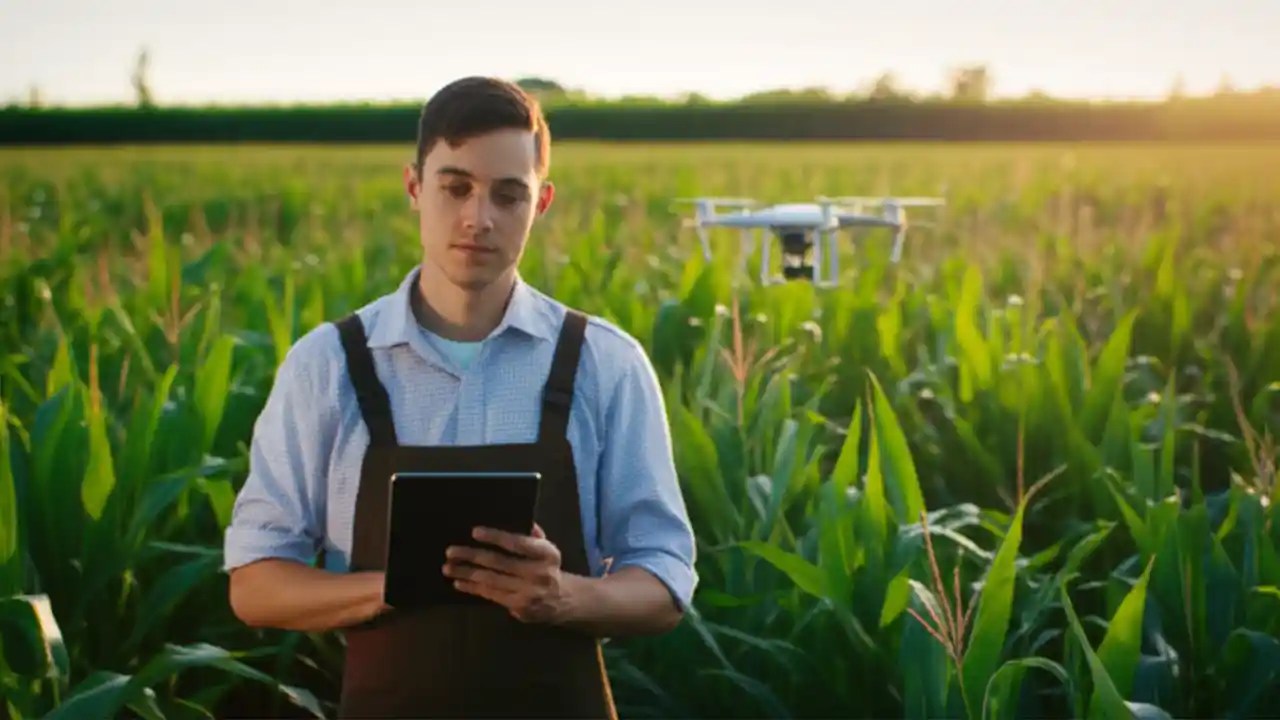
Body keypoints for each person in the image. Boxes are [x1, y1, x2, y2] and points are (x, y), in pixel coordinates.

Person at [223, 76, 698, 719]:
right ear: (414, 187)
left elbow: (665, 582)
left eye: (509, 195)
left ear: (543, 203)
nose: (479, 218)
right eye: (456, 187)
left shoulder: (604, 364)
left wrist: (559, 596)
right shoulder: (327, 366)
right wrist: (392, 587)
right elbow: (255, 584)